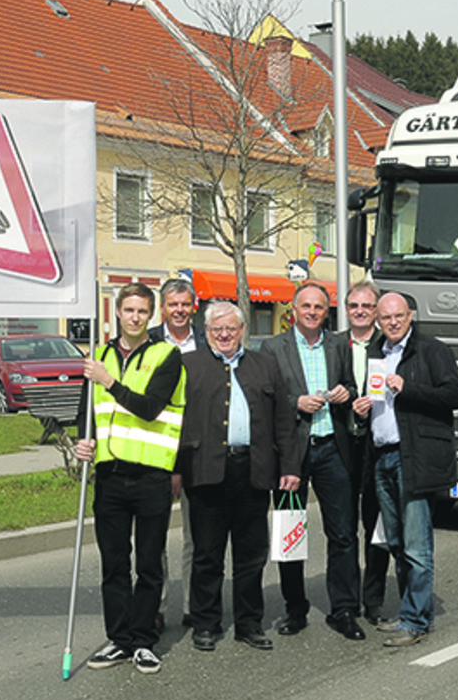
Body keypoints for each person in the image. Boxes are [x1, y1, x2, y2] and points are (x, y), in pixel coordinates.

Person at [72, 283, 185, 675]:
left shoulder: (166, 356)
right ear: (117, 311)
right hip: (110, 476)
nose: (135, 317)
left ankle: (143, 640)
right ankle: (119, 639)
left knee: (149, 564)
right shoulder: (98, 357)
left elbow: (151, 408)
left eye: (142, 312)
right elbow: (85, 413)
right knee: (114, 563)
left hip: (152, 475)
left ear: (151, 315)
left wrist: (109, 381)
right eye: (129, 310)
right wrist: (82, 443)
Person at [178, 301, 298, 652]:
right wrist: (174, 470)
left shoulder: (264, 365)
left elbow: (283, 422)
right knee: (207, 554)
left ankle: (249, 623)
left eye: (231, 328)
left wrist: (289, 467)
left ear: (242, 329)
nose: (225, 335)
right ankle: (206, 623)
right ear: (208, 332)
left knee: (251, 555)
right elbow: (176, 421)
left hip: (254, 471)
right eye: (218, 330)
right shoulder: (189, 365)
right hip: (206, 471)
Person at [352, 291, 458, 648]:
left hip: (414, 457)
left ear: (410, 315)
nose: (393, 323)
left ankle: (417, 620)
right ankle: (408, 612)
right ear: (378, 322)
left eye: (398, 316)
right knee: (395, 542)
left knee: (416, 545)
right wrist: (363, 410)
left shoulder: (432, 350)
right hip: (382, 456)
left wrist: (408, 388)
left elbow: (452, 396)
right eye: (386, 318)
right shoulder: (376, 353)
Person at [262, 281, 363, 640]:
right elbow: (265, 398)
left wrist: (345, 392)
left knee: (343, 533)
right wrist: (295, 403)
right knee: (290, 532)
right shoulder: (273, 347)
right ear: (293, 309)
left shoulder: (339, 344)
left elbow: (352, 386)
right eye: (306, 306)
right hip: (292, 454)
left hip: (333, 450)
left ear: (326, 311)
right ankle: (295, 608)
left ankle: (345, 609)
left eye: (319, 307)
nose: (312, 312)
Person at [146, 277, 199, 628]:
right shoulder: (146, 342)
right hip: (154, 452)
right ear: (163, 308)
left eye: (184, 304)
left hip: (198, 450)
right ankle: (156, 607)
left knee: (197, 538)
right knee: (154, 539)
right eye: (172, 304)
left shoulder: (209, 341)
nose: (179, 310)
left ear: (193, 305)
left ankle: (194, 608)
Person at [338, 281, 392, 622]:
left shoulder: (387, 345)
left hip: (377, 445)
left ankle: (372, 600)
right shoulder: (333, 344)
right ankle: (345, 600)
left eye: (367, 306)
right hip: (341, 445)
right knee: (343, 529)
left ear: (375, 311)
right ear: (347, 309)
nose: (360, 311)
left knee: (377, 527)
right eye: (354, 305)